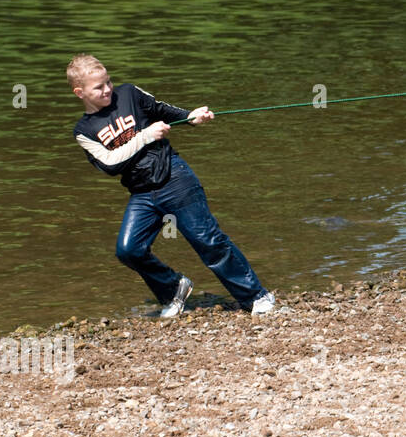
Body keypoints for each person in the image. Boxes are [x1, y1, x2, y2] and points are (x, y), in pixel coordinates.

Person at [68, 54, 275, 317]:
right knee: (129, 250)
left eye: (108, 82)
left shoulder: (129, 94)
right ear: (80, 92)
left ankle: (257, 297)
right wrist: (144, 136)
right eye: (99, 87)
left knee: (208, 242)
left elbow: (161, 109)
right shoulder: (83, 131)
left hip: (174, 178)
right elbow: (109, 164)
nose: (107, 89)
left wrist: (191, 117)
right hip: (142, 194)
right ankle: (174, 288)